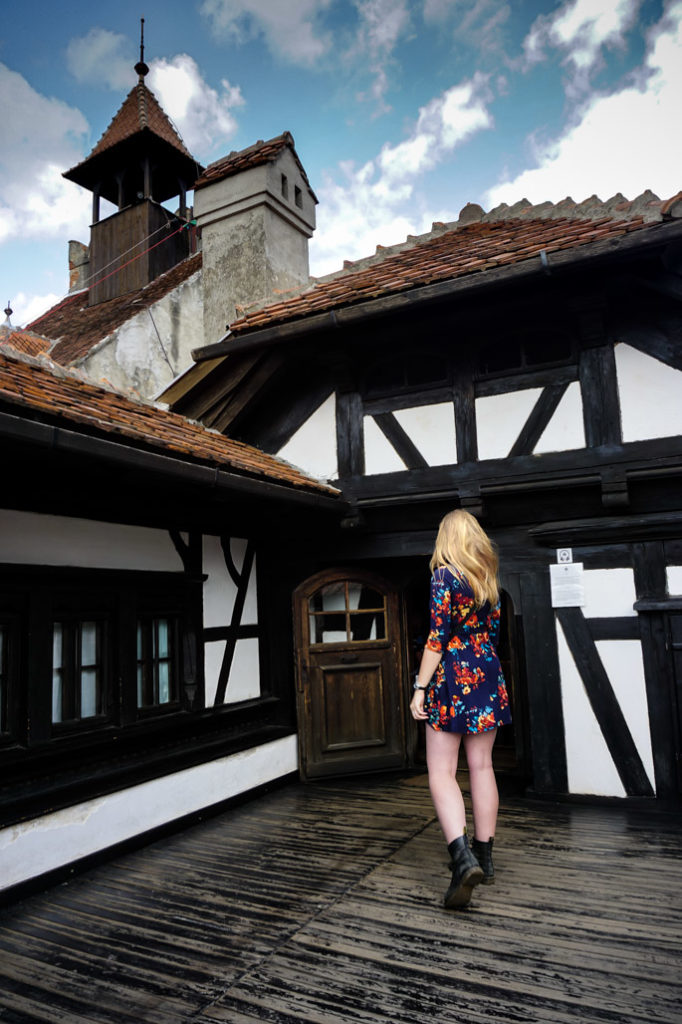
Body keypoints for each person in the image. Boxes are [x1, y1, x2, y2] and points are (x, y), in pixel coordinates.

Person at [410, 509, 512, 910]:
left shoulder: (443, 577)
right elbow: (496, 635)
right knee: (483, 766)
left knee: (441, 771)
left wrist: (419, 688)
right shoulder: (488, 580)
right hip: (487, 671)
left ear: (445, 539)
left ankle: (462, 858)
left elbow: (437, 638)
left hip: (452, 674)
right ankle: (484, 855)